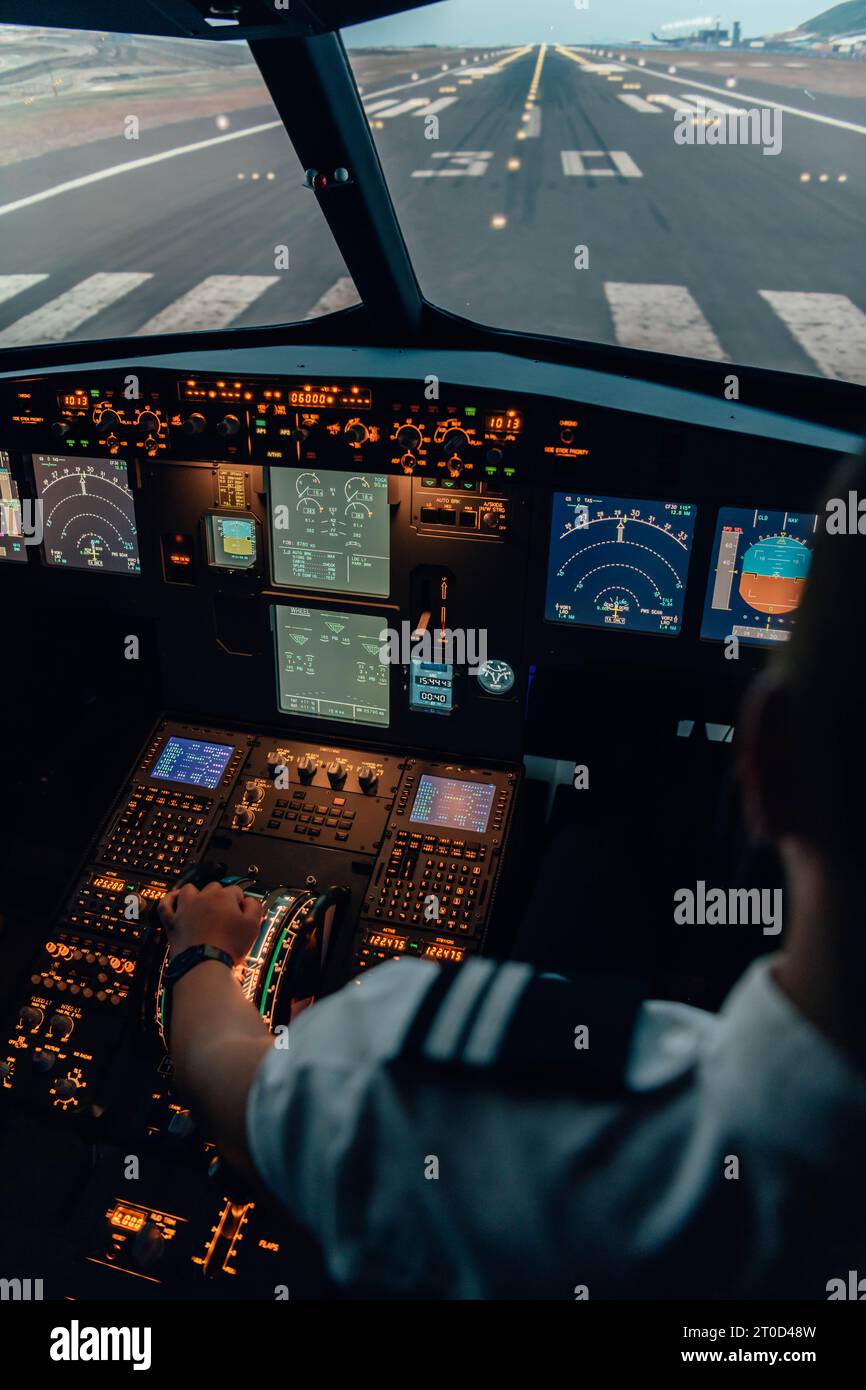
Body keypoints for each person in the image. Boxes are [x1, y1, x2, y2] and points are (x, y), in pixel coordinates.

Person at [159, 453, 866, 1299]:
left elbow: (225, 1087)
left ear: (767, 762)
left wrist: (199, 950)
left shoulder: (421, 1082)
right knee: (594, 851)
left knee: (590, 853)